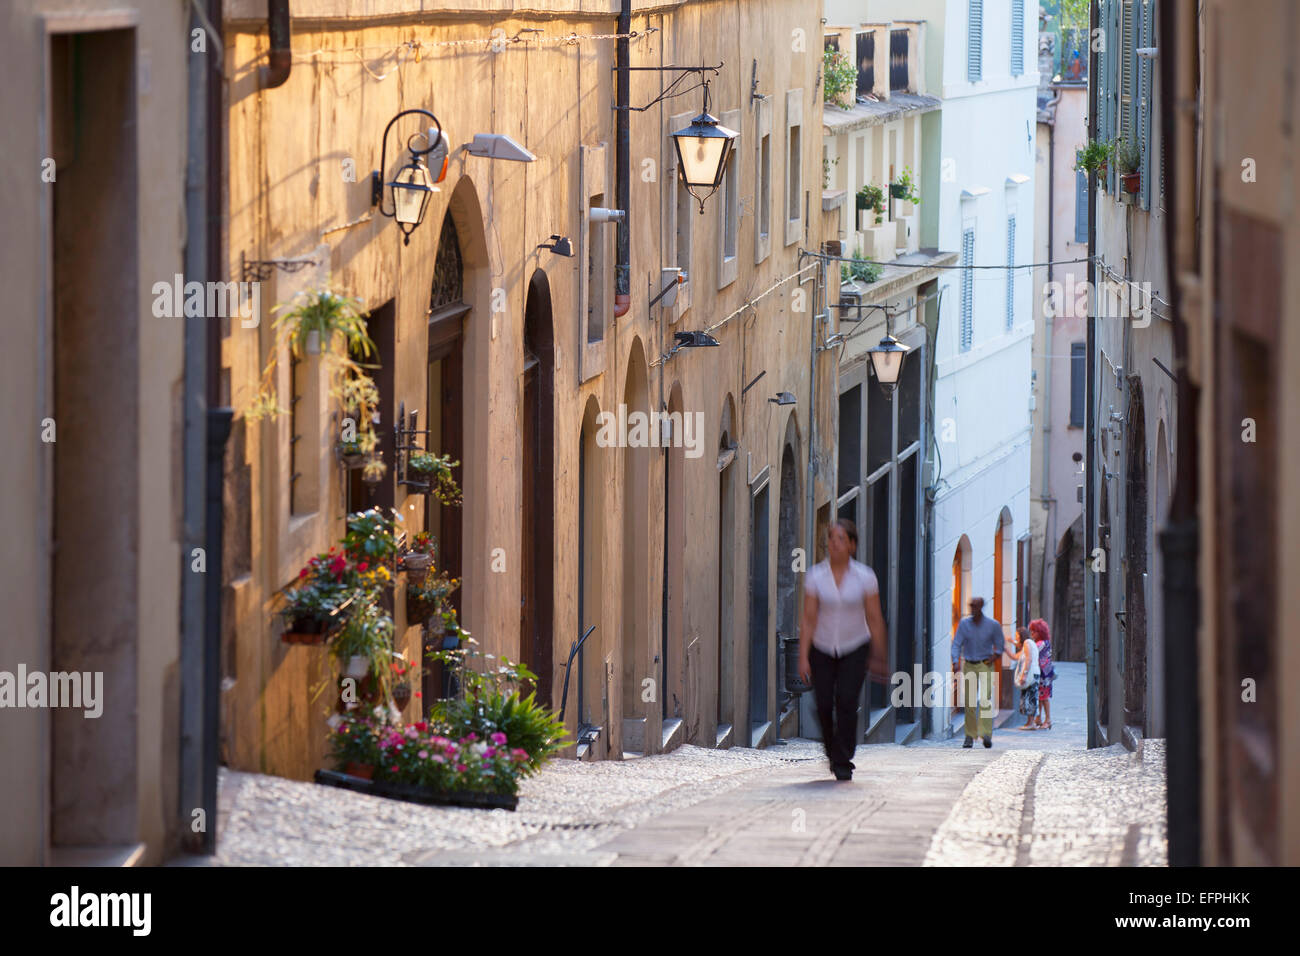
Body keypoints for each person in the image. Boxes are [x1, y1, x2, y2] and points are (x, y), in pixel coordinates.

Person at [797, 519, 888, 781]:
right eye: (831, 538)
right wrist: (803, 657)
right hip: (822, 648)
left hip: (855, 647)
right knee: (824, 704)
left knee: (847, 701)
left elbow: (874, 617)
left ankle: (844, 757)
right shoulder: (816, 576)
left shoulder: (865, 577)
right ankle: (833, 752)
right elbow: (809, 618)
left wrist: (879, 654)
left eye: (840, 538)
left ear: (852, 545)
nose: (834, 543)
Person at [950, 596, 1006, 748]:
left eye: (974, 606)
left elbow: (1000, 645)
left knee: (986, 699)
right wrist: (955, 661)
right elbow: (956, 644)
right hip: (969, 664)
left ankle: (986, 734)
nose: (972, 609)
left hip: (985, 664)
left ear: (981, 607)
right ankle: (969, 736)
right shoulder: (964, 624)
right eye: (970, 606)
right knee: (969, 702)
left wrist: (994, 656)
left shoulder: (992, 625)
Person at [1012, 625, 1041, 729]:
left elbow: (1028, 660)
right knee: (1030, 696)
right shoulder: (1029, 643)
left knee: (1030, 697)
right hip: (1034, 672)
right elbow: (1015, 656)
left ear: (1021, 635)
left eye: (1017, 636)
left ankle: (1030, 723)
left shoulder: (1027, 643)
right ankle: (1030, 722)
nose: (1016, 638)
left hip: (1031, 673)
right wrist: (1008, 645)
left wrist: (1024, 675)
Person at [1030, 618, 1055, 729]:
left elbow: (1032, 652)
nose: (1032, 633)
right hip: (1045, 673)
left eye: (1034, 631)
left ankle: (1048, 719)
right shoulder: (1045, 643)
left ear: (1039, 632)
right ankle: (1038, 718)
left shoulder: (1040, 644)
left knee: (1044, 697)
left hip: (1043, 674)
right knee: (1040, 696)